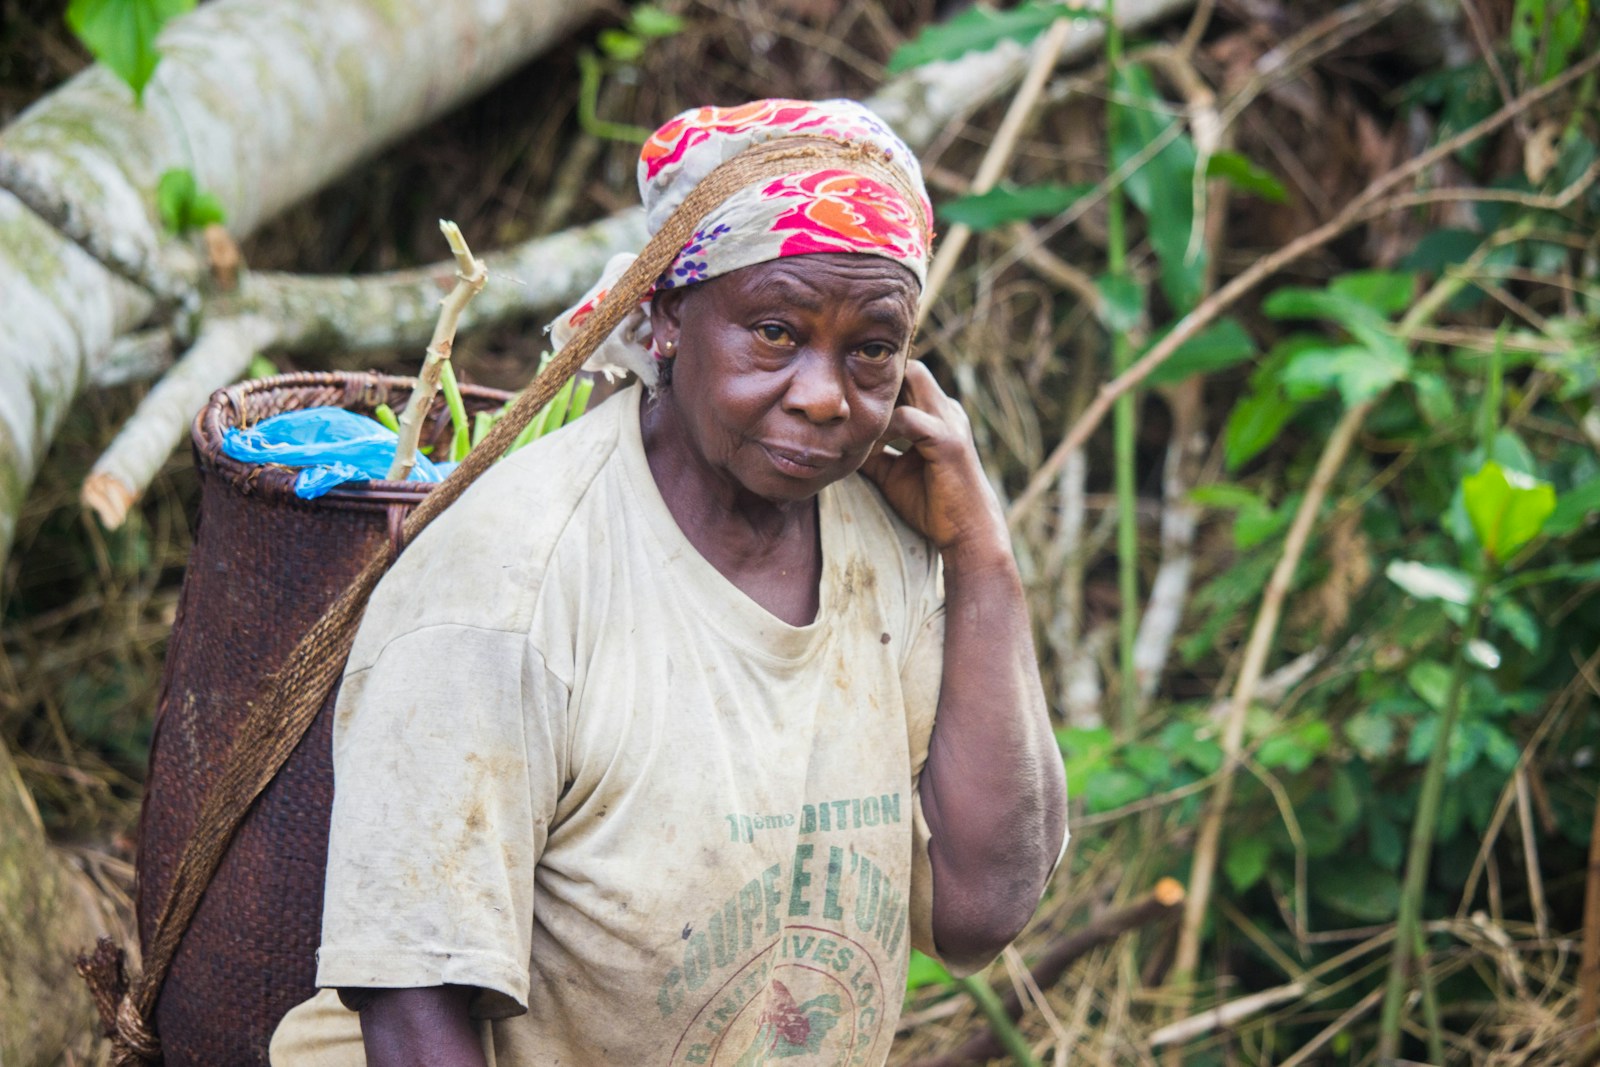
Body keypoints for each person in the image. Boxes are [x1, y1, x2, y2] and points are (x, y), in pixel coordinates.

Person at [270, 98, 1066, 1067]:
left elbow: (982, 909)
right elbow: (414, 1004)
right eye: (774, 330)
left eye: (870, 349)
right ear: (664, 320)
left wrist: (982, 554)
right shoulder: (511, 578)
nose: (824, 393)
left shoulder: (885, 549)